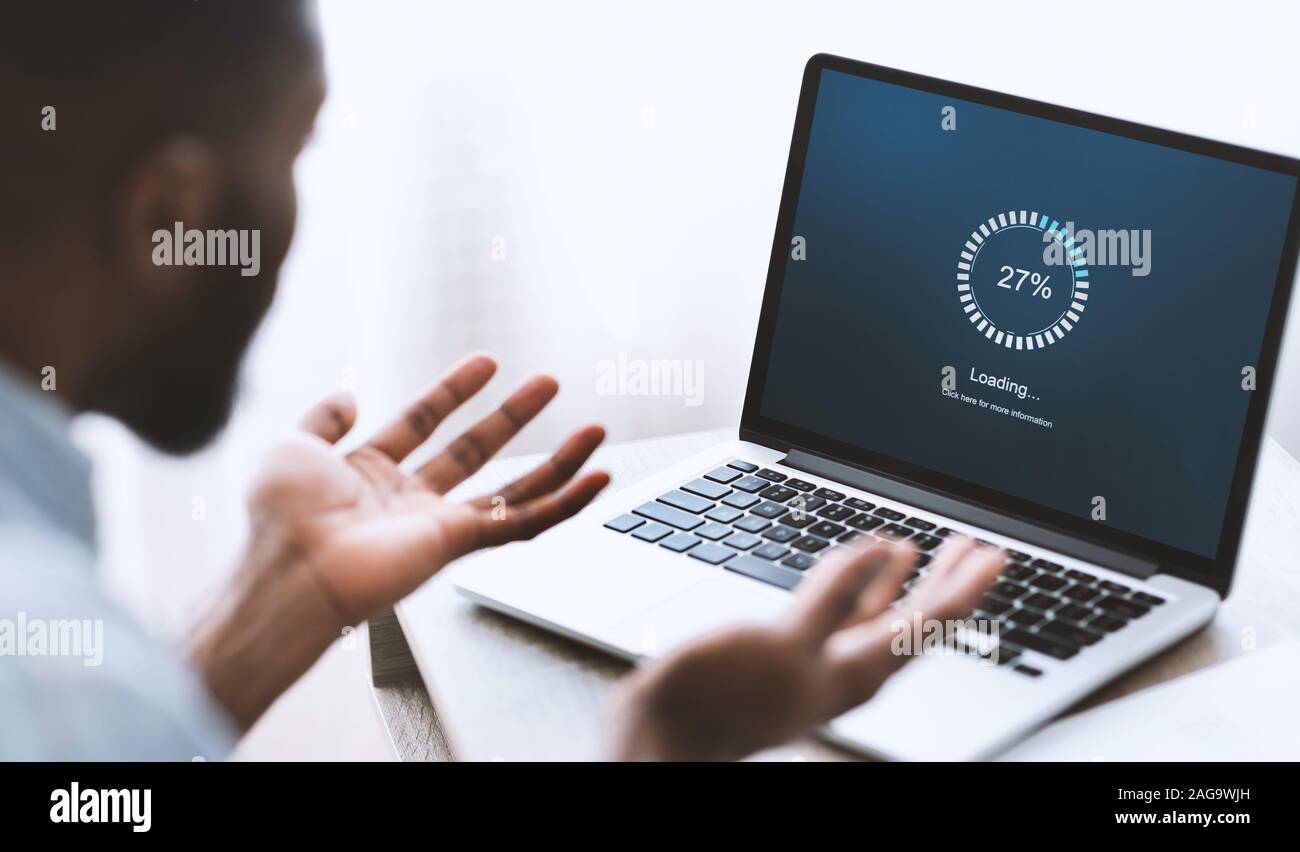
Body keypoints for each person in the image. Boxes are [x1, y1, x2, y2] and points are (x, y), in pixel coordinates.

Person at [0, 0, 1001, 761]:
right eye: (295, 152)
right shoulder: (59, 683)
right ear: (169, 209)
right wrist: (658, 739)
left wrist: (269, 611)